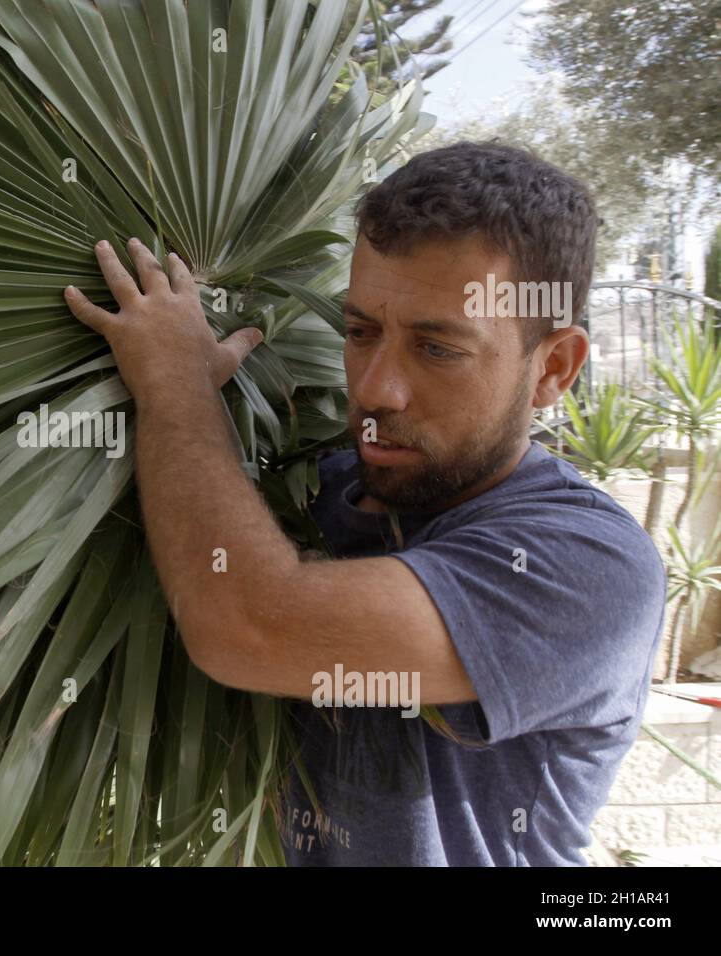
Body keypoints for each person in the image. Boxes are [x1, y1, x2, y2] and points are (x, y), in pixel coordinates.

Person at [63, 141, 666, 866]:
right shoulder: (312, 487)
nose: (377, 389)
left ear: (553, 369)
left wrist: (176, 384)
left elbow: (247, 623)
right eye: (360, 332)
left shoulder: (591, 567)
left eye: (437, 349)